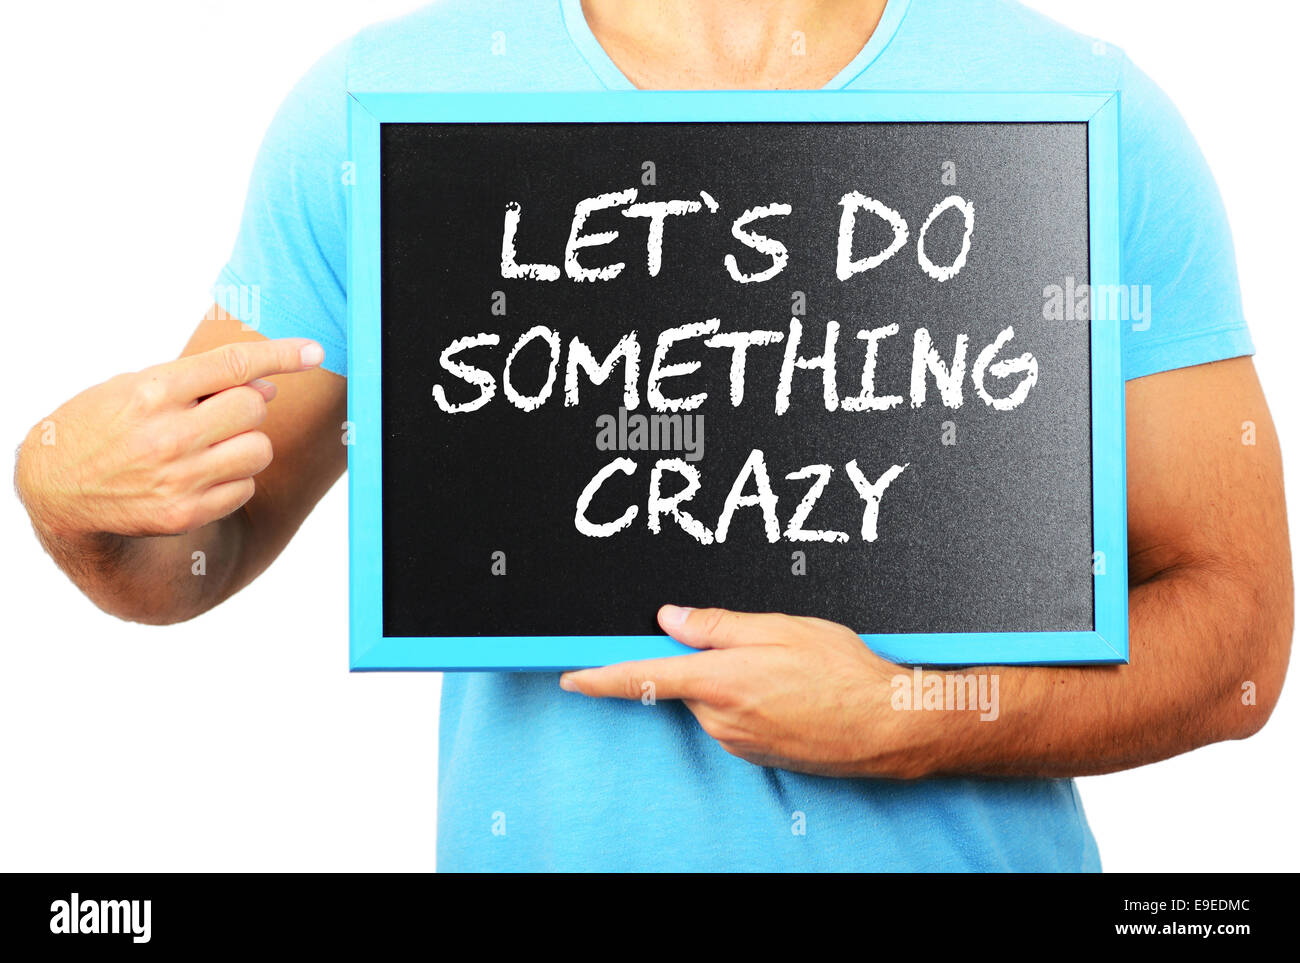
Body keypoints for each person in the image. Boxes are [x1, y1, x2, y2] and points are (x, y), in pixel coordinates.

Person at [14, 0, 1292, 871]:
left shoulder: (1074, 106)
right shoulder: (387, 108)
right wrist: (67, 495)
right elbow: (191, 563)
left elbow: (1236, 636)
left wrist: (913, 713)